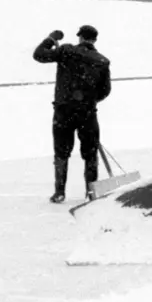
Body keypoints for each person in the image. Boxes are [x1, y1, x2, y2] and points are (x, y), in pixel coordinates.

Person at [33, 25, 112, 203]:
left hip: (63, 112)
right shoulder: (102, 61)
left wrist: (51, 39)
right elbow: (105, 90)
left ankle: (59, 192)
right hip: (88, 114)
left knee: (61, 152)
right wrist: (88, 101)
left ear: (80, 38)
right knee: (90, 154)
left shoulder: (66, 51)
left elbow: (39, 55)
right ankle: (91, 193)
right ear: (94, 40)